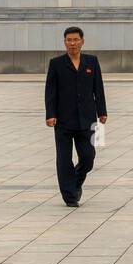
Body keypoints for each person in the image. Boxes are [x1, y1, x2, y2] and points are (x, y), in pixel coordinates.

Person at [44, 26, 108, 208]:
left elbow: (98, 88)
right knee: (64, 160)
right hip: (63, 120)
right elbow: (50, 91)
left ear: (82, 41)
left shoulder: (92, 62)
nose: (72, 43)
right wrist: (50, 114)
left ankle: (75, 182)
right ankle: (70, 196)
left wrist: (102, 111)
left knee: (89, 157)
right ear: (64, 42)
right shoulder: (56, 63)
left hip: (88, 119)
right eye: (69, 40)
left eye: (75, 39)